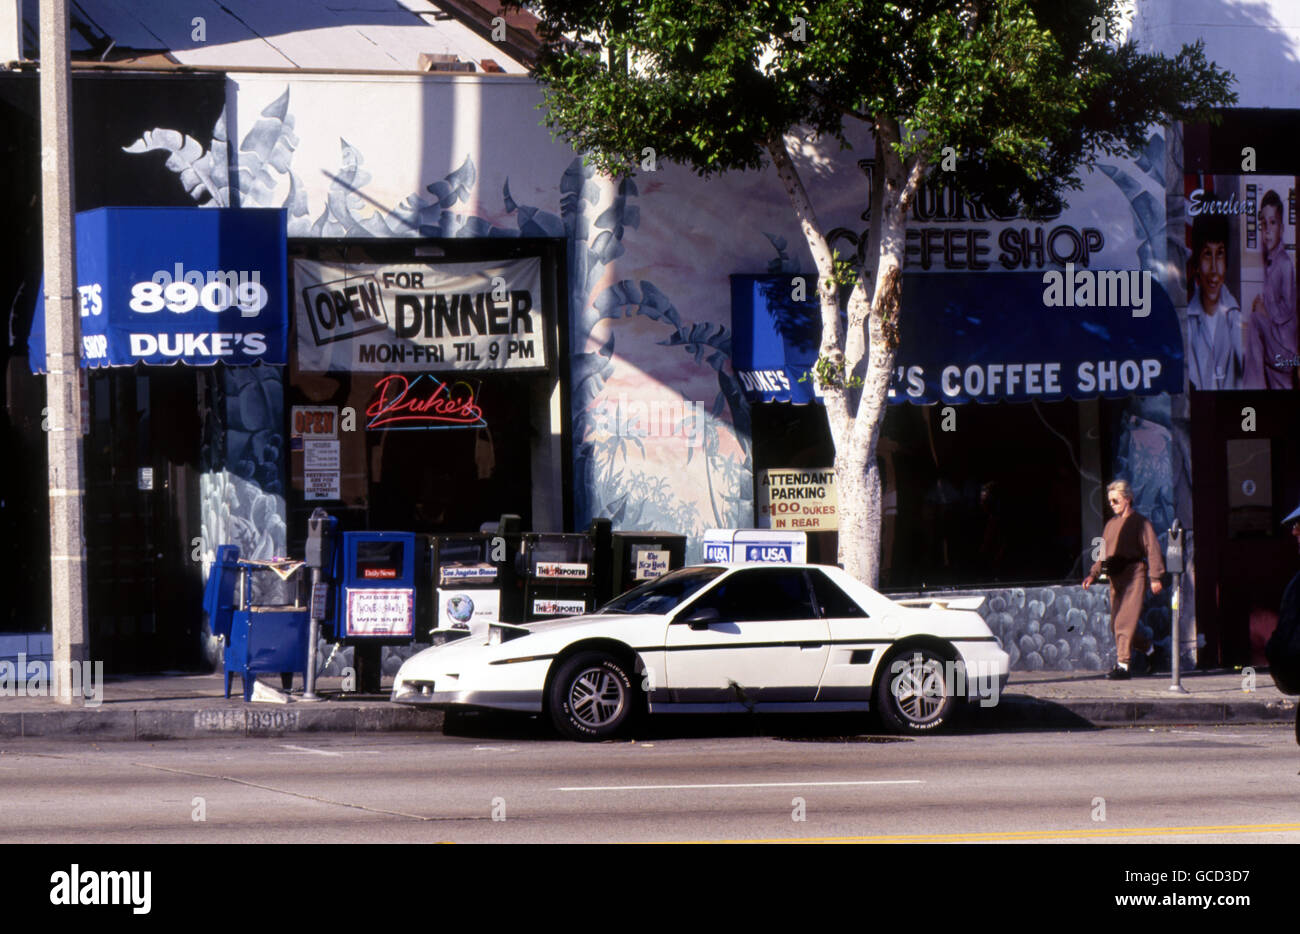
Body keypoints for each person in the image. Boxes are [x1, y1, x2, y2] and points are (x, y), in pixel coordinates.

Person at [1083, 480, 1165, 679]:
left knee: (1123, 622)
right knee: (1117, 626)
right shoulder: (1111, 525)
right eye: (1110, 501)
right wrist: (1093, 574)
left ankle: (1123, 666)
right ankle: (1151, 651)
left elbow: (1152, 549)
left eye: (1115, 500)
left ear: (1127, 499)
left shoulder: (1140, 523)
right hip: (1115, 575)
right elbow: (1102, 552)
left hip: (1134, 574)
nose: (1112, 504)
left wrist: (1155, 577)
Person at [1243, 189, 1298, 389]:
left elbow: (1288, 308)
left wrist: (1265, 311)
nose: (1267, 230)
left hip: (1287, 352)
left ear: (1282, 229)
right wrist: (1262, 303)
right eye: (1263, 224)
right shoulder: (1272, 263)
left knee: (1256, 322)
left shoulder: (1285, 264)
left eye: (1272, 223)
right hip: (1278, 343)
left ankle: (1251, 388)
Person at [1186, 213, 1243, 390]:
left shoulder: (1238, 320)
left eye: (1219, 254)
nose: (1213, 269)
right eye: (1206, 254)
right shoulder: (1186, 322)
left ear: (1226, 262)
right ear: (1196, 264)